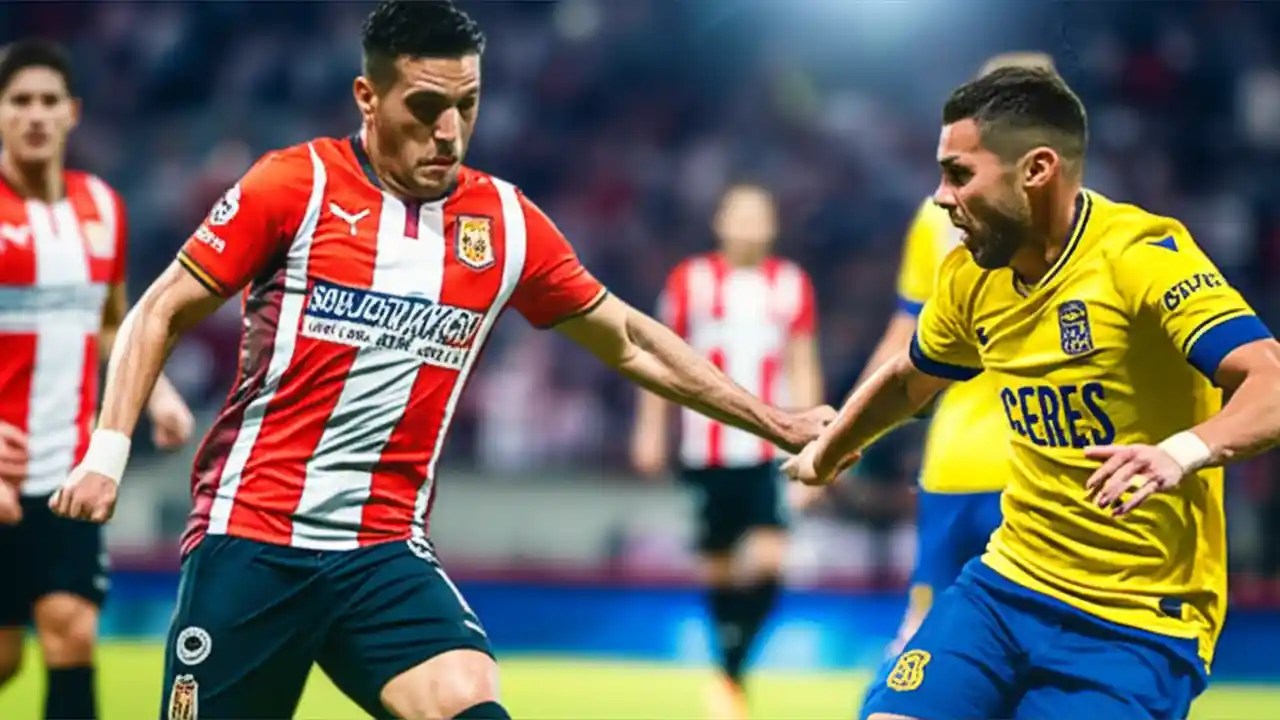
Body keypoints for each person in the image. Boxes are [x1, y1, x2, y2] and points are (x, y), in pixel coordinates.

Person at [47, 3, 834, 720]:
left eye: (468, 105)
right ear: (368, 98)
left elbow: (627, 338)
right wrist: (107, 455)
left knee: (468, 702)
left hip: (383, 549)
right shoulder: (296, 186)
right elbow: (159, 309)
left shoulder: (506, 223)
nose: (450, 132)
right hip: (253, 535)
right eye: (425, 108)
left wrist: (779, 421)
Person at [784, 66, 1280, 720]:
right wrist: (827, 454)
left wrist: (1181, 451)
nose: (938, 196)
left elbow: (1269, 380)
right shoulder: (969, 275)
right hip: (1006, 587)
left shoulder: (1141, 254)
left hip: (1135, 618)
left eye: (959, 173)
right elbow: (909, 381)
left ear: (1037, 169)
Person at [845, 52, 1057, 713]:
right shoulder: (938, 217)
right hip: (966, 463)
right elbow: (904, 338)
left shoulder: (1092, 228)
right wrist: (850, 422)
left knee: (955, 639)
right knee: (933, 636)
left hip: (1038, 470)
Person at [0, 40, 194, 719]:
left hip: (64, 470)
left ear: (73, 112)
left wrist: (159, 393)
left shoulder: (102, 209)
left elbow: (112, 322)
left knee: (72, 632)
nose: (34, 115)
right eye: (19, 100)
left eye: (48, 101)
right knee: (3, 659)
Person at [631, 182, 822, 718]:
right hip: (705, 447)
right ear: (720, 222)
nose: (748, 225)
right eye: (739, 215)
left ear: (773, 225)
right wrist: (650, 429)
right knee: (715, 566)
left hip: (769, 449)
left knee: (769, 560)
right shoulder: (689, 281)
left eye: (758, 216)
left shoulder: (790, 284)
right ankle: (730, 670)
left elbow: (802, 362)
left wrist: (816, 442)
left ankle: (730, 671)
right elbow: (656, 358)